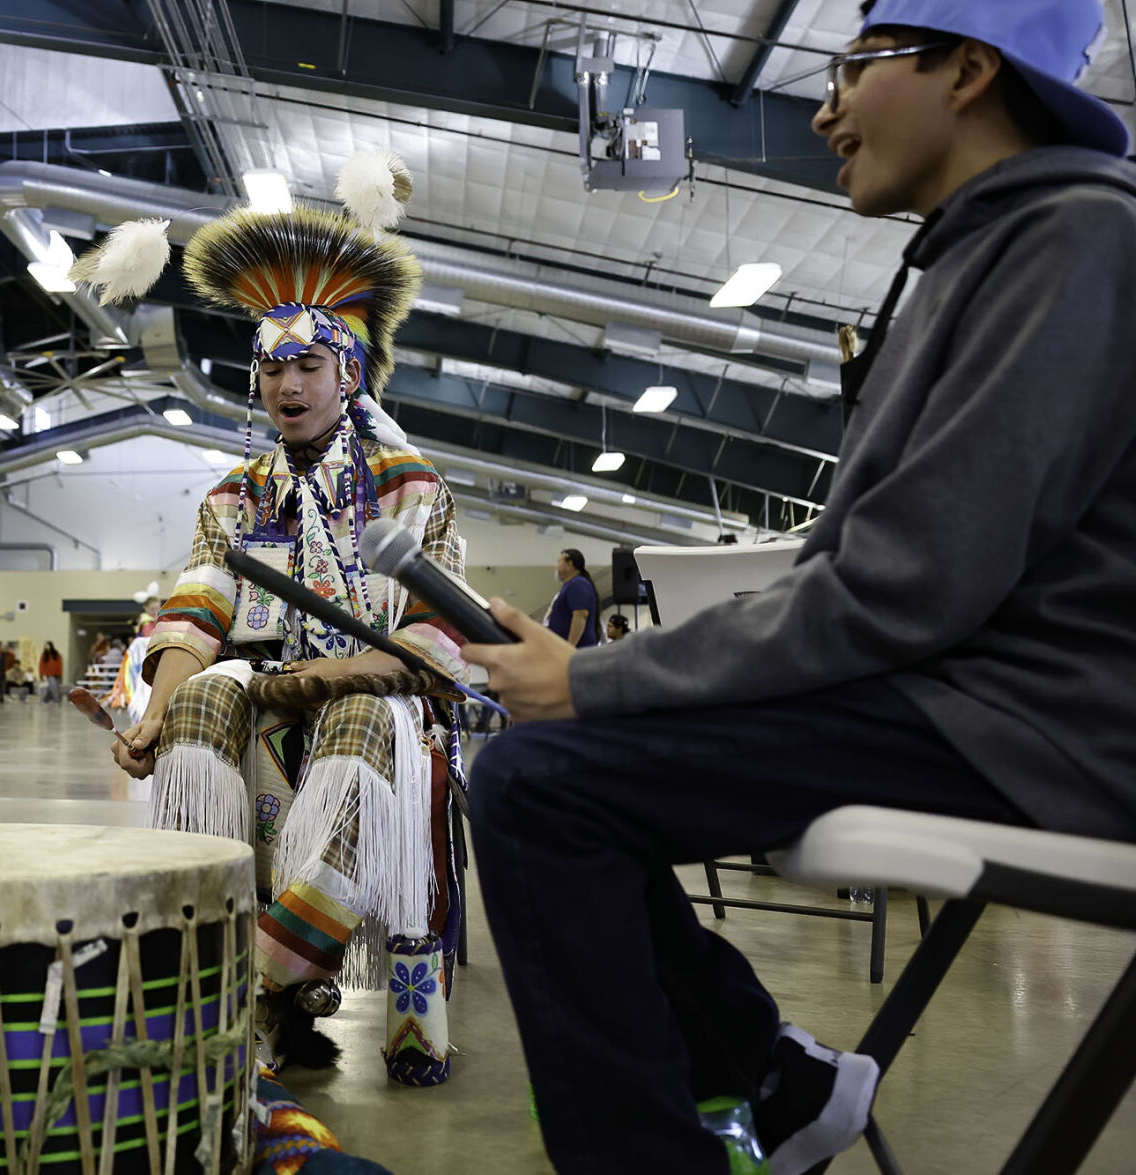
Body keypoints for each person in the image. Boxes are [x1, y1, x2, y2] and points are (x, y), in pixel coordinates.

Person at [461, 3, 1136, 1171]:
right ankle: (770, 1076)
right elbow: (873, 569)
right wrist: (617, 681)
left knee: (535, 784)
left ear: (968, 68)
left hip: (1038, 725)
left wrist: (599, 677)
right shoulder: (981, 248)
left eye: (851, 68)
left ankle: (752, 1080)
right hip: (970, 697)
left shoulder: (1072, 238)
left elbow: (900, 584)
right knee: (545, 778)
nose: (823, 109)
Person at [80, 171, 469, 1074]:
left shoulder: (409, 486)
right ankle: (235, 965)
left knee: (360, 716)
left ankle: (252, 984)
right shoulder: (236, 495)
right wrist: (149, 714)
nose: (286, 385)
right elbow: (196, 612)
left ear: (347, 372)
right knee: (199, 705)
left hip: (377, 698)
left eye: (307, 365)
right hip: (262, 694)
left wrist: (326, 677)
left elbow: (436, 641)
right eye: (271, 367)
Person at [541, 548, 599, 649]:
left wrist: (570, 646)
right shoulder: (569, 586)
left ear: (570, 564)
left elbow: (580, 615)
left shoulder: (578, 584)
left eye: (559, 562)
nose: (556, 566)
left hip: (577, 651)